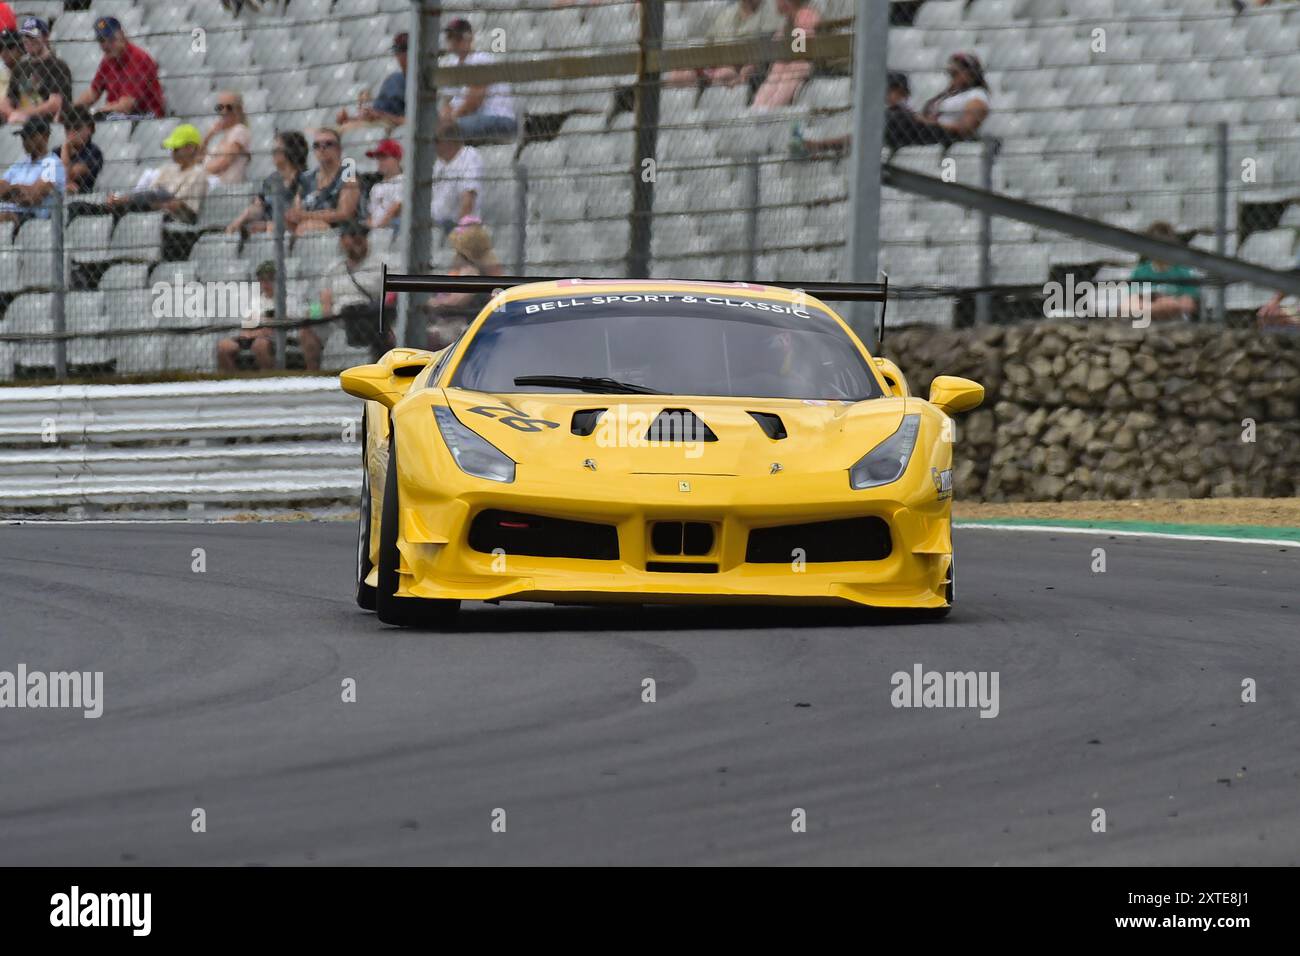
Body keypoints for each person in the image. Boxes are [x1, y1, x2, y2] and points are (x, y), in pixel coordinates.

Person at [665, 0, 783, 90]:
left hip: (740, 67)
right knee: (679, 75)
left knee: (724, 73)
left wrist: (750, 65)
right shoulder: (727, 13)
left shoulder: (771, 10)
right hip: (714, 62)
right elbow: (708, 43)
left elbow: (768, 44)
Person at [105, 123, 207, 223]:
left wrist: (149, 204)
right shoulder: (168, 168)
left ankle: (123, 201)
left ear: (190, 148)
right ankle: (119, 203)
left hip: (175, 218)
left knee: (153, 197)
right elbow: (151, 192)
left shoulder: (198, 173)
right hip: (154, 210)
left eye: (176, 149)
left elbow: (179, 206)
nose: (172, 153)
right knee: (148, 197)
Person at [318, 222, 388, 366]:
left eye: (362, 235)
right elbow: (325, 297)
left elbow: (390, 296)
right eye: (353, 235)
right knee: (307, 331)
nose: (358, 239)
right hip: (336, 319)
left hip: (367, 317)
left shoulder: (380, 265)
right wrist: (327, 314)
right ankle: (311, 377)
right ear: (342, 241)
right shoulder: (334, 268)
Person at [426, 220, 502, 350]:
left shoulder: (472, 271)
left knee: (429, 334)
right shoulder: (474, 267)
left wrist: (434, 303)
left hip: (465, 323)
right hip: (457, 321)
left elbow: (457, 301)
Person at [438, 18, 517, 140]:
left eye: (458, 38)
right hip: (469, 119)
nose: (454, 42)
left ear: (469, 38)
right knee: (436, 128)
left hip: (496, 118)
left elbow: (473, 103)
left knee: (447, 130)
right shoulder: (451, 64)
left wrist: (450, 120)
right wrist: (444, 119)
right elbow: (447, 103)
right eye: (450, 37)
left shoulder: (481, 60)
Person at [74, 16, 165, 120]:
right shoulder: (108, 60)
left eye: (111, 39)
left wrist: (100, 111)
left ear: (121, 35)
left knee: (105, 118)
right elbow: (93, 92)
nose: (106, 45)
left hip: (146, 116)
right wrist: (73, 109)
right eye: (101, 41)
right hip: (118, 116)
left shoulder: (139, 58)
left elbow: (126, 106)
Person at [226, 130, 308, 235]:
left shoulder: (304, 179)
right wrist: (239, 220)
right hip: (266, 229)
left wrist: (267, 226)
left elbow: (297, 214)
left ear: (290, 151)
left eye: (277, 149)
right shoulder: (271, 180)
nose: (272, 153)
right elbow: (258, 206)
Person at [286, 126, 362, 236]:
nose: (322, 148)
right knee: (275, 226)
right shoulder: (306, 178)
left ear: (339, 149)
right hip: (305, 227)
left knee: (311, 226)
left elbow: (344, 214)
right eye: (316, 145)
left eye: (328, 144)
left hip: (339, 232)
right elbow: (297, 211)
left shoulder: (348, 176)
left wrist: (306, 216)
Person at [751, 0, 821, 110]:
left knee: (791, 71)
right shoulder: (789, 20)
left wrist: (782, 47)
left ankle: (770, 110)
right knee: (776, 70)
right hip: (789, 64)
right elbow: (779, 47)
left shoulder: (805, 15)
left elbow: (800, 51)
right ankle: (757, 109)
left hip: (802, 66)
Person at [2, 17, 72, 125]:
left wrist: (23, 114)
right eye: (25, 36)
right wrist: (13, 114)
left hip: (46, 124)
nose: (28, 40)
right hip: (20, 122)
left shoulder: (58, 66)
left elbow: (54, 104)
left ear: (45, 37)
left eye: (32, 36)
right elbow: (6, 101)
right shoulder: (20, 67)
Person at [1129, 221, 1200, 322]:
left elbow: (1188, 305)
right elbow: (1132, 303)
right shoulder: (1140, 272)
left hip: (1176, 323)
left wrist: (1168, 304)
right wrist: (1158, 307)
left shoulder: (1184, 273)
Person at [913, 52, 990, 144]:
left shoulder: (977, 95)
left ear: (970, 74)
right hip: (932, 132)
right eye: (950, 74)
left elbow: (966, 129)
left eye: (955, 73)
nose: (952, 78)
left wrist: (931, 123)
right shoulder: (951, 94)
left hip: (949, 136)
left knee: (900, 119)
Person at [0, 116, 64, 225]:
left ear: (45, 136)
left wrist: (10, 191)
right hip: (9, 212)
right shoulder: (21, 162)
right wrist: (18, 190)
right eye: (24, 137)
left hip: (31, 218)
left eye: (31, 136)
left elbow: (33, 197)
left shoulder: (52, 163)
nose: (26, 141)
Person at [337, 32, 406, 130]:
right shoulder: (393, 81)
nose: (400, 55)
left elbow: (418, 122)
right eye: (397, 50)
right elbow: (376, 115)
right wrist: (349, 120)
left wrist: (384, 116)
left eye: (404, 49)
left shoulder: (428, 82)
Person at [430, 120, 483, 236]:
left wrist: (459, 232)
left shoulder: (469, 156)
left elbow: (468, 200)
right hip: (434, 222)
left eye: (436, 141)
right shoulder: (439, 162)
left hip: (453, 224)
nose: (432, 145)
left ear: (449, 141)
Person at [202, 90, 250, 188]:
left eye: (229, 108)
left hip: (224, 186)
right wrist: (210, 134)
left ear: (238, 110)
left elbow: (223, 163)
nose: (223, 111)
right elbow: (197, 155)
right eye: (220, 107)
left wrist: (199, 172)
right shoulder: (225, 134)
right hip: (212, 182)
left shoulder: (239, 130)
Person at [60, 106, 102, 194]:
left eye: (77, 128)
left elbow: (68, 175)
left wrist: (64, 149)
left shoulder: (93, 152)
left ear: (89, 129)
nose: (71, 133)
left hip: (82, 196)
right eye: (68, 128)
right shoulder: (57, 150)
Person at [365, 138, 403, 232]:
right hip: (376, 232)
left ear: (397, 158)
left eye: (384, 157)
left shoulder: (404, 181)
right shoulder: (376, 186)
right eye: (378, 158)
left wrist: (378, 226)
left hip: (393, 230)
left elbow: (397, 207)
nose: (380, 162)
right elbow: (370, 215)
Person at [0, 30, 23, 110]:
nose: (4, 52)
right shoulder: (1, 75)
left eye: (9, 47)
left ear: (20, 49)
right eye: (0, 47)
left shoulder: (29, 72)